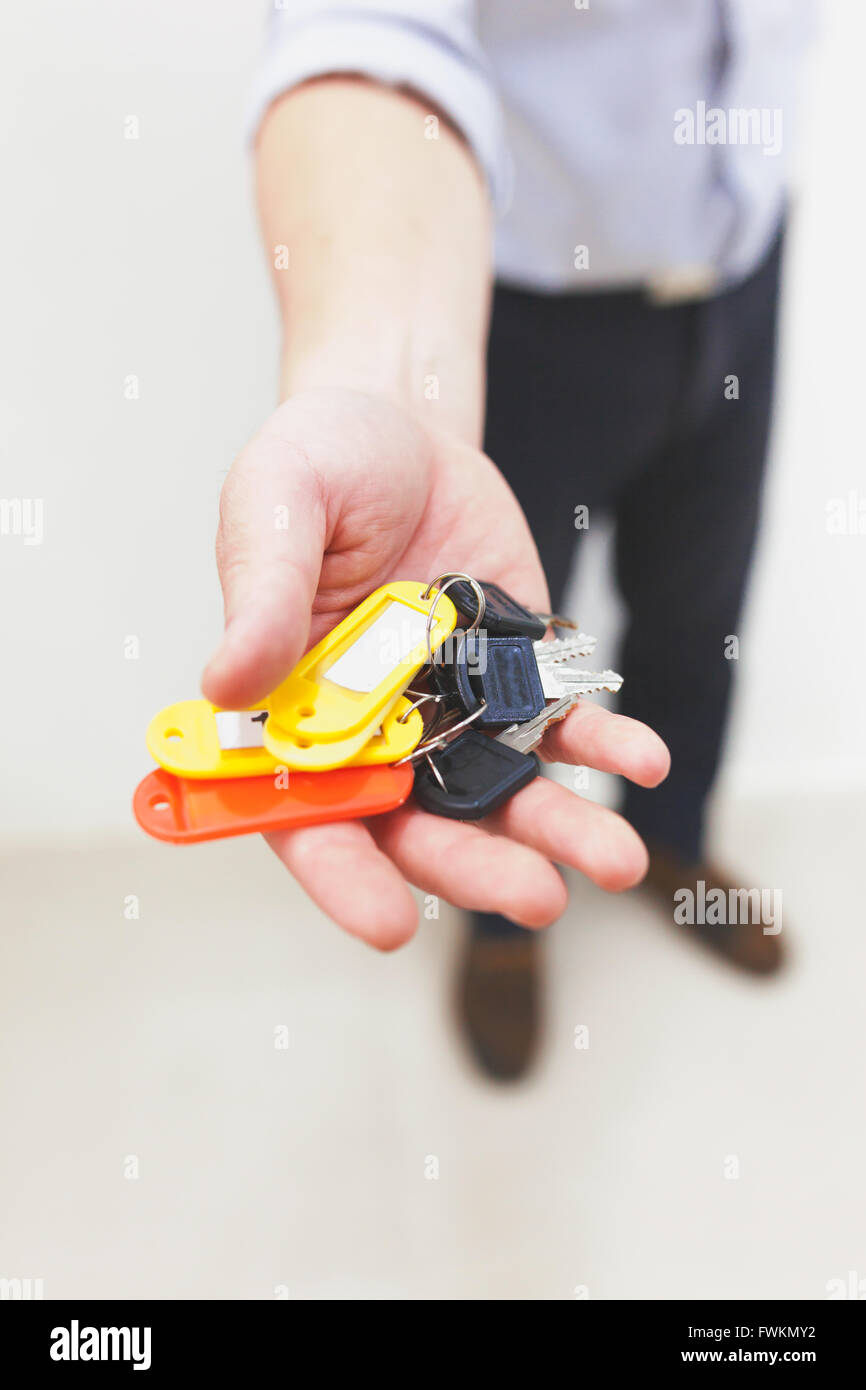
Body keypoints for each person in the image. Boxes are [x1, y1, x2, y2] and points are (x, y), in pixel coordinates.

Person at [203, 1, 811, 1079]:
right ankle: (502, 937)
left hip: (741, 270)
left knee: (697, 605)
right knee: (498, 675)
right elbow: (370, 35)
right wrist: (371, 386)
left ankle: (674, 842)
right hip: (518, 315)